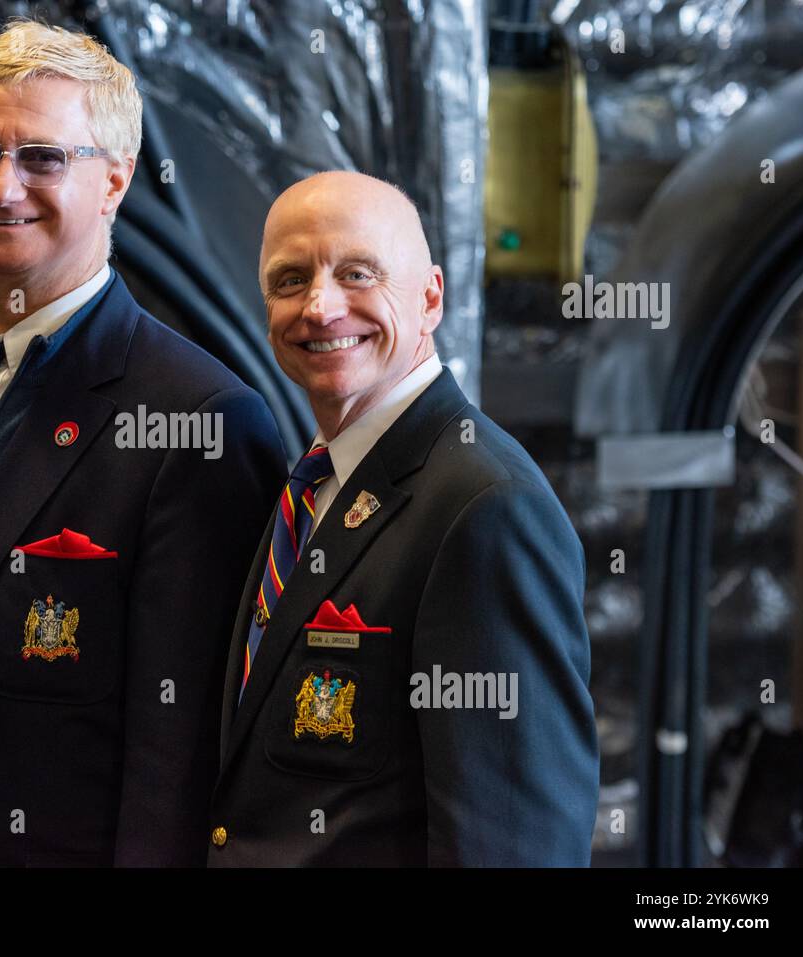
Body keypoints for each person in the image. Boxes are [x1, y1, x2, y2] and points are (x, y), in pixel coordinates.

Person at [0, 20, 287, 866]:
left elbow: (182, 752)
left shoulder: (201, 419)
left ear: (115, 181)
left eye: (43, 158)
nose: (1, 185)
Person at [207, 171, 598, 866]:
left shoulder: (485, 506)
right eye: (290, 280)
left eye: (357, 273)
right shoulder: (315, 484)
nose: (321, 307)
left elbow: (512, 844)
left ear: (430, 298)